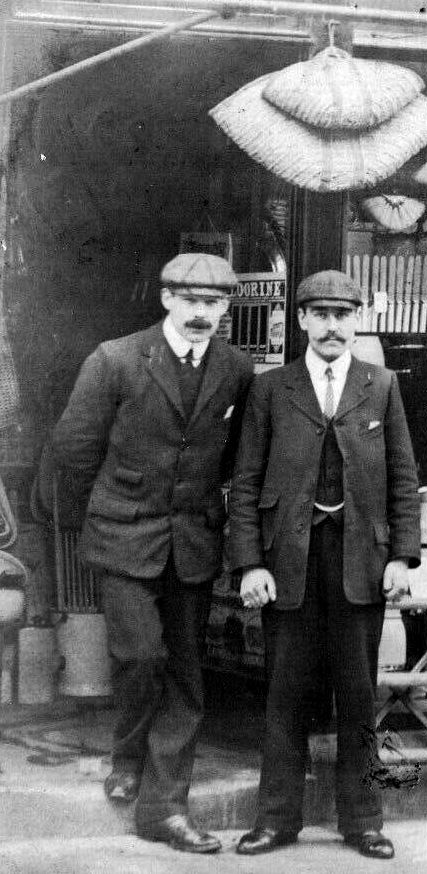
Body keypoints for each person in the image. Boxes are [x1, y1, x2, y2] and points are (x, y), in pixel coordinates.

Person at [49, 253, 255, 853]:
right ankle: (129, 752)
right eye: (190, 299)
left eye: (214, 303)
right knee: (141, 657)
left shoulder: (236, 369)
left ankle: (164, 807)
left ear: (225, 309)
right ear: (166, 299)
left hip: (192, 542)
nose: (201, 313)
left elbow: (238, 455)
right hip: (123, 537)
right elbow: (74, 450)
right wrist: (113, 509)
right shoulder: (115, 359)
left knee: (187, 674)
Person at [227, 270, 419, 860]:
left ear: (356, 320)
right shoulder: (272, 389)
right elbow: (245, 484)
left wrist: (403, 557)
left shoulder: (380, 385)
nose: (333, 325)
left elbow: (404, 479)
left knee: (360, 696)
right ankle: (276, 819)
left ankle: (363, 821)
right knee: (285, 693)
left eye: (343, 314)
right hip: (289, 562)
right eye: (321, 313)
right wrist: (250, 565)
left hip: (360, 561)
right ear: (302, 321)